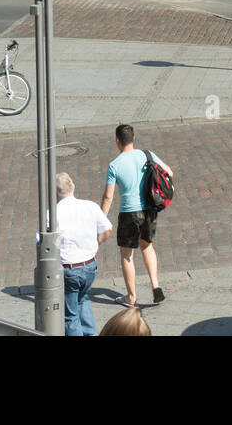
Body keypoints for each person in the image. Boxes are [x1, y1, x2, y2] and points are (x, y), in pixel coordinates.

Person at [100, 124, 172, 307]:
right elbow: (168, 172)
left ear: (118, 140)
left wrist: (101, 218)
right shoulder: (147, 154)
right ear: (133, 138)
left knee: (127, 255)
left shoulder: (114, 165)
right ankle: (156, 286)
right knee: (147, 246)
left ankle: (131, 297)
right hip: (149, 210)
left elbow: (108, 197)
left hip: (129, 214)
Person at [56, 172, 112, 336]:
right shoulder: (90, 206)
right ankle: (90, 333)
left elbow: (42, 241)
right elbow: (107, 228)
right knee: (83, 298)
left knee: (70, 315)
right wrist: (96, 242)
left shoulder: (52, 214)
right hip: (89, 265)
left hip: (69, 268)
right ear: (73, 187)